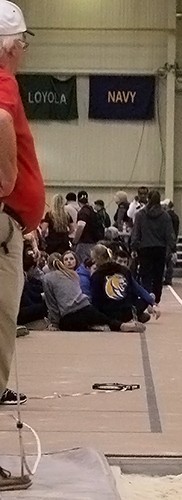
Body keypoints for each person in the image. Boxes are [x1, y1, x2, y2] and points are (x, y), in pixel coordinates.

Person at [0, 0, 43, 442]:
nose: (25, 51)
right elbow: (0, 118)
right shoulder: (2, 80)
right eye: (23, 42)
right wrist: (9, 177)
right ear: (9, 46)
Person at [42, 253, 144, 333]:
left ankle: (93, 327)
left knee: (65, 324)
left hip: (70, 313)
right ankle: (121, 325)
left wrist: (55, 323)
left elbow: (52, 304)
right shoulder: (73, 274)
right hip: (86, 306)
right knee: (104, 319)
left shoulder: (47, 278)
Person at [89, 245, 159, 325]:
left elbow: (95, 299)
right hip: (126, 313)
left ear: (97, 258)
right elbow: (138, 289)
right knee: (148, 297)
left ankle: (134, 317)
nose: (92, 261)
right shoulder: (124, 270)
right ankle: (136, 316)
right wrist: (152, 303)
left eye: (93, 259)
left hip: (108, 315)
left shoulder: (97, 275)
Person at [131, 190, 175, 303]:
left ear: (148, 199)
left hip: (145, 248)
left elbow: (136, 232)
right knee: (158, 275)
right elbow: (169, 233)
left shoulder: (140, 215)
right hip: (160, 249)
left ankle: (147, 298)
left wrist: (134, 247)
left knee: (145, 275)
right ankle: (157, 298)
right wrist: (172, 248)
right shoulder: (165, 216)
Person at [72, 190, 104, 266]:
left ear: (78, 201)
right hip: (93, 242)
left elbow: (81, 226)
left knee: (83, 265)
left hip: (84, 243)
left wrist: (75, 241)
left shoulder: (83, 212)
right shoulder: (92, 211)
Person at [162, 199, 180, 286]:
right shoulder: (175, 216)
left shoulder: (167, 216)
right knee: (170, 261)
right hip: (173, 239)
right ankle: (168, 278)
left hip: (167, 240)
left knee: (165, 259)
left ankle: (166, 278)